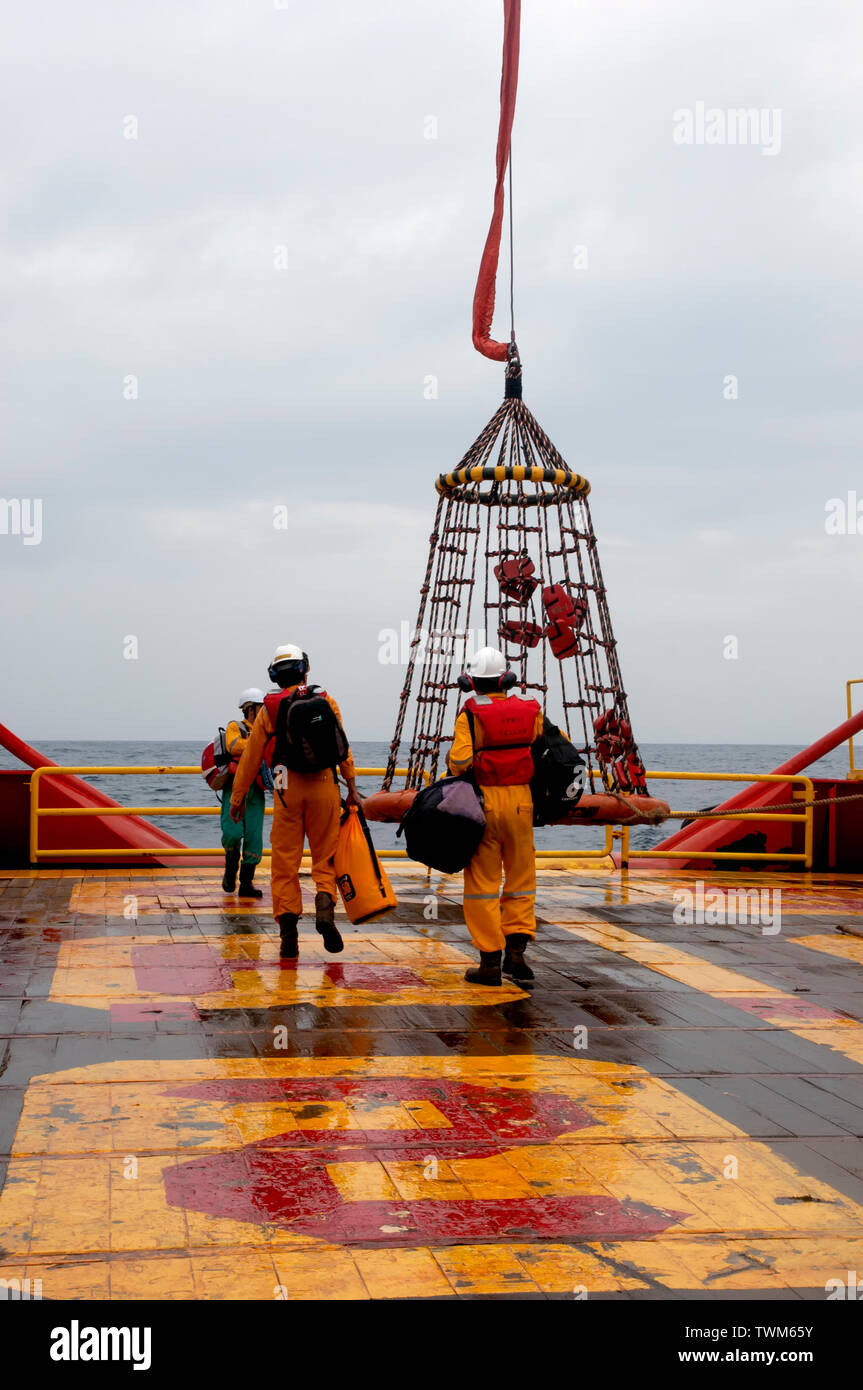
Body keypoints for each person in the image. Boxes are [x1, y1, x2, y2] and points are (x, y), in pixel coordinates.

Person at [230, 644, 361, 959]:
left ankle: (288, 935)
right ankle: (325, 911)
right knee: (325, 856)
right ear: (305, 669)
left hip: (285, 787)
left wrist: (237, 797)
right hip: (325, 784)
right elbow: (343, 747)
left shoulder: (269, 708)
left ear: (274, 675)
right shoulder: (325, 700)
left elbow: (250, 757)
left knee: (285, 863)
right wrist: (353, 787)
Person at [447, 646, 543, 987]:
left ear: (469, 681)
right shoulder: (530, 709)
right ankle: (516, 956)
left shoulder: (470, 714)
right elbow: (539, 744)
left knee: (482, 886)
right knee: (521, 877)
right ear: (507, 679)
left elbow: (459, 763)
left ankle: (489, 962)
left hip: (484, 802)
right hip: (522, 802)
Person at [220, 688, 267, 899]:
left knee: (254, 838)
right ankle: (230, 871)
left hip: (256, 791)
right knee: (232, 833)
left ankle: (246, 883)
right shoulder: (235, 727)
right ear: (250, 708)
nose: (263, 711)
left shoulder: (267, 729)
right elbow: (233, 746)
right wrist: (257, 744)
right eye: (260, 707)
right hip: (235, 788)